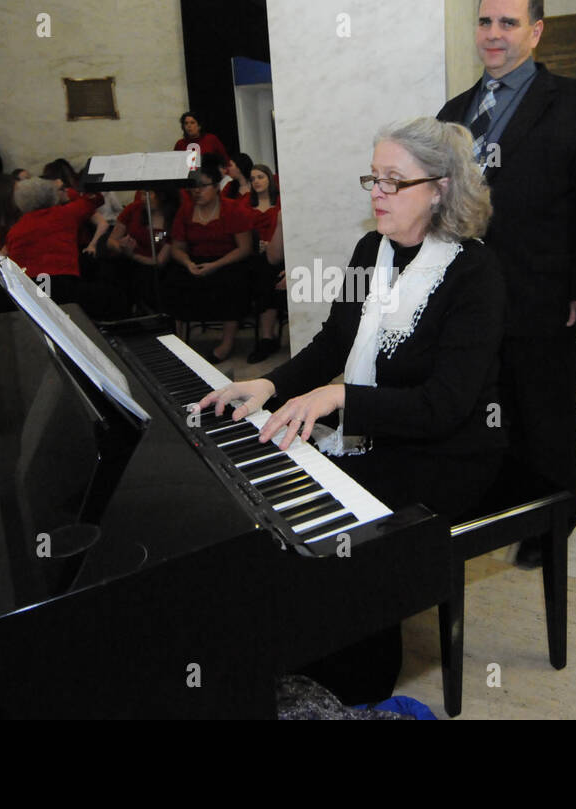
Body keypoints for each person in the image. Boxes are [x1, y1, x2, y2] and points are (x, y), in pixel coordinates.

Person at [197, 117, 505, 704]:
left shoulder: (475, 274)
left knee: (343, 530)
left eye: (394, 181)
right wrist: (268, 384)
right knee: (279, 501)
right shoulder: (373, 248)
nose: (377, 193)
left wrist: (340, 398)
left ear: (440, 188)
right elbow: (335, 343)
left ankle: (353, 682)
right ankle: (302, 650)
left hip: (451, 451)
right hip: (380, 426)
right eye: (374, 177)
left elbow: (445, 407)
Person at [436, 0, 576, 557]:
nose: (494, 34)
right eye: (486, 21)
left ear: (535, 31)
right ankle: (499, 504)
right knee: (487, 408)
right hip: (470, 298)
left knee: (545, 417)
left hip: (543, 296)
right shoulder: (455, 109)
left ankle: (552, 524)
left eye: (508, 23)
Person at [164, 159, 255, 363]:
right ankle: (179, 339)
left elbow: (244, 248)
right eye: (193, 187)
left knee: (233, 281)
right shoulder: (185, 211)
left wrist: (215, 265)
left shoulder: (232, 209)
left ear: (215, 187)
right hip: (196, 259)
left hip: (227, 260)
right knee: (173, 279)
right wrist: (188, 262)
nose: (197, 191)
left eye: (202, 186)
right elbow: (176, 248)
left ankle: (227, 342)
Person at [5, 178, 103, 305]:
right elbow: (95, 199)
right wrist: (66, 190)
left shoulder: (16, 229)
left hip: (30, 288)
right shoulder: (66, 213)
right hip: (64, 282)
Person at [246, 165, 284, 363]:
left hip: (279, 254)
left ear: (269, 179)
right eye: (252, 179)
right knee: (264, 271)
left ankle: (267, 337)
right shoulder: (245, 203)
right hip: (253, 255)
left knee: (268, 270)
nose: (256, 182)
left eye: (260, 177)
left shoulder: (280, 202)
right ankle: (268, 337)